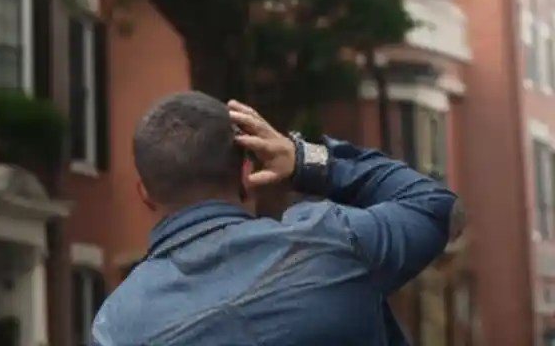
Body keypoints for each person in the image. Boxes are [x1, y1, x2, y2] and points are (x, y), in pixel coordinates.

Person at [91, 91, 459, 345]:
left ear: (144, 194)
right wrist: (305, 160)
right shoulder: (332, 241)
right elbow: (433, 205)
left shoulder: (116, 326)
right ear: (246, 174)